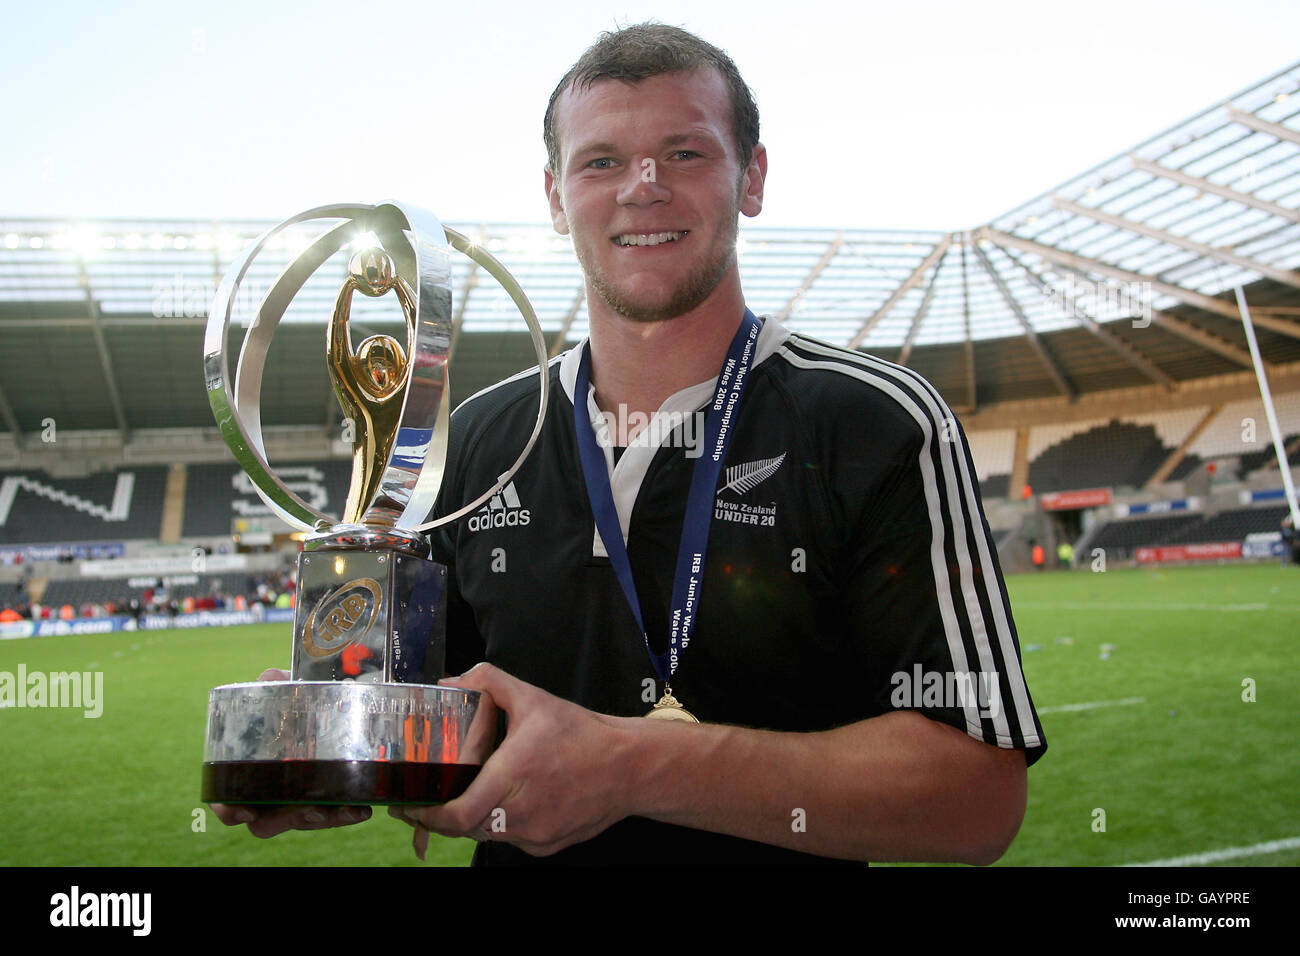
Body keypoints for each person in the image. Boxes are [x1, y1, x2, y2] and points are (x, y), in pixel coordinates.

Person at [216, 23, 1044, 865]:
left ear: (752, 177)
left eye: (684, 153)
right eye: (602, 161)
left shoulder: (879, 422)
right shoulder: (479, 439)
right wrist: (335, 741)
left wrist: (634, 767)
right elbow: (444, 719)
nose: (643, 189)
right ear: (555, 195)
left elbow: (979, 799)